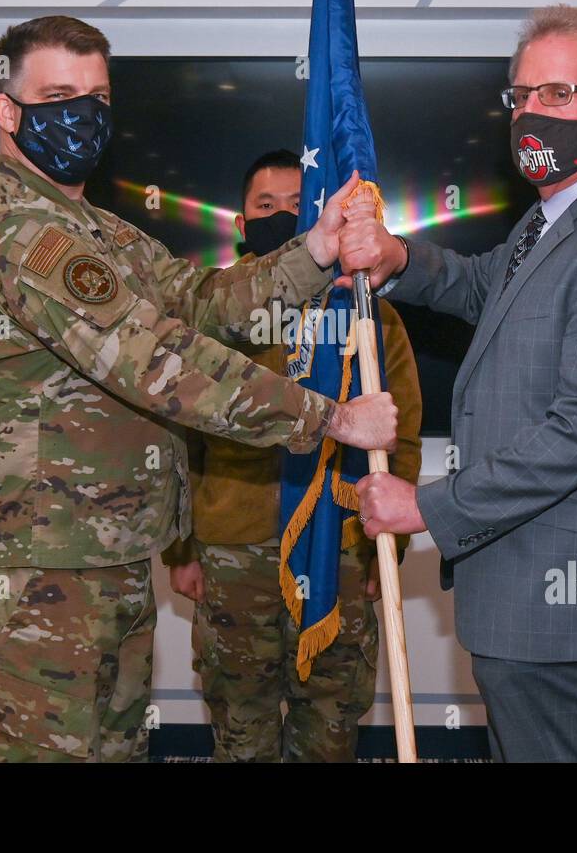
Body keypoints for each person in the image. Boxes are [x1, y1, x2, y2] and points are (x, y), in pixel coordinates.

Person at [0, 16, 399, 762]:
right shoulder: (22, 235)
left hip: (108, 563)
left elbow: (204, 306)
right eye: (58, 94)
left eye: (96, 95)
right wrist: (331, 417)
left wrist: (313, 251)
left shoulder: (101, 233)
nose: (82, 113)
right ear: (6, 110)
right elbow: (160, 363)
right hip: (36, 579)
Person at [344, 5, 577, 762]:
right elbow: (478, 287)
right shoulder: (552, 222)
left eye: (558, 95)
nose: (533, 112)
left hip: (559, 591)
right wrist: (401, 259)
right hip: (522, 581)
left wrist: (425, 505)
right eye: (524, 95)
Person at [163, 149, 423, 762]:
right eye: (264, 205)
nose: (280, 214)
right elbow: (177, 437)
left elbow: (401, 435)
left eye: (294, 205)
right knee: (241, 723)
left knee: (330, 724)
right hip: (233, 550)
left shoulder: (369, 317)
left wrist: (388, 547)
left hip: (338, 547)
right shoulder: (211, 318)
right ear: (239, 221)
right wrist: (180, 549)